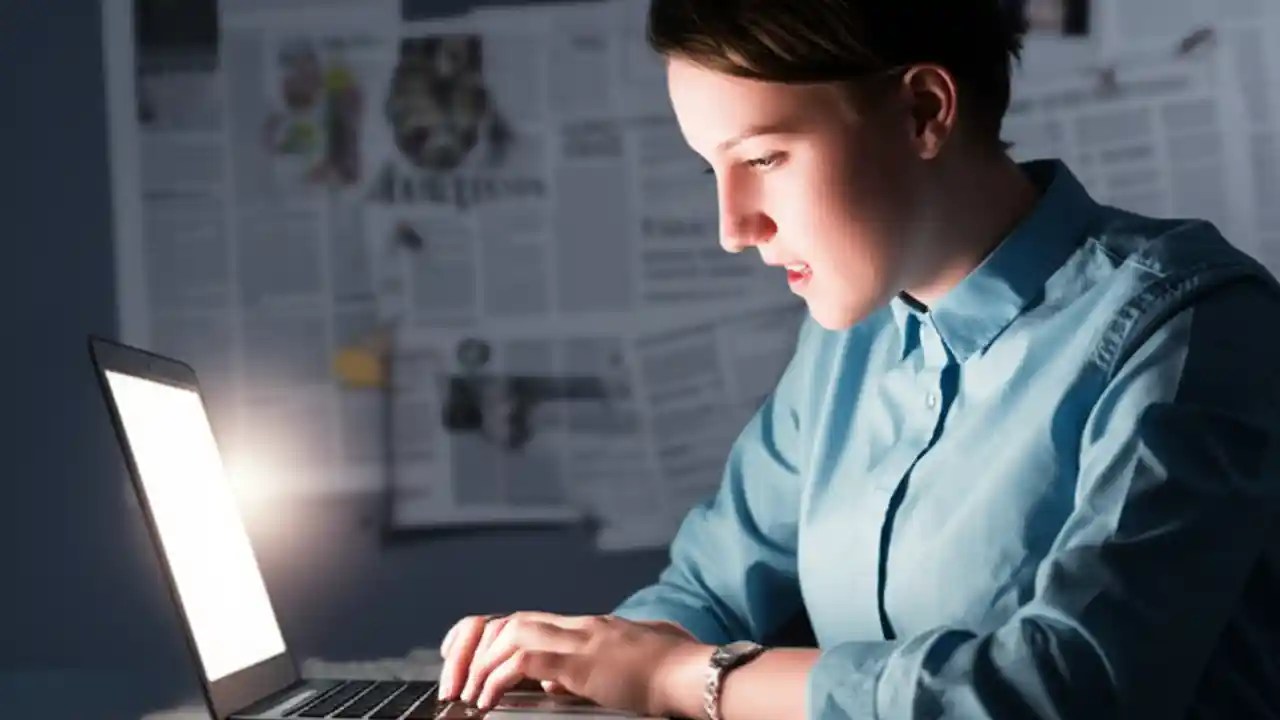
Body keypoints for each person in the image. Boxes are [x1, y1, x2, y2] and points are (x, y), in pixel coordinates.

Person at [437, 1, 1280, 718]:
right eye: (712, 169)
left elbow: (1068, 687)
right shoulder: (850, 338)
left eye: (763, 158)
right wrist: (570, 665)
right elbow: (709, 593)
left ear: (923, 111)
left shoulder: (1191, 327)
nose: (733, 228)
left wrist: (684, 677)